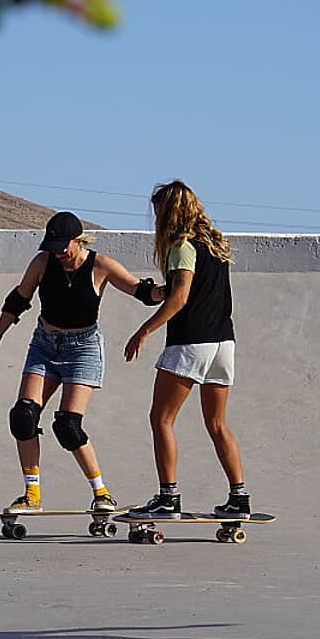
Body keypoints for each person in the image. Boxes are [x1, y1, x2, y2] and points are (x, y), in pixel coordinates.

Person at [0, 211, 162, 514]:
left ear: (78, 240)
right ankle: (32, 494)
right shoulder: (43, 262)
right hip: (45, 345)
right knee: (23, 416)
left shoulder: (101, 266)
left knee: (68, 426)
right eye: (53, 246)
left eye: (64, 247)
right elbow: (18, 300)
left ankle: (102, 494)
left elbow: (141, 291)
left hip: (82, 349)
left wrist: (167, 291)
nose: (58, 253)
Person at [124, 180, 249, 520]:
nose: (156, 220)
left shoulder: (182, 245)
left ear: (172, 211)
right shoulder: (214, 243)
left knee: (161, 419)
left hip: (192, 341)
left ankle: (168, 499)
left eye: (159, 212)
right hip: (224, 343)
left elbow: (180, 298)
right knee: (217, 424)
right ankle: (239, 498)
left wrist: (144, 330)